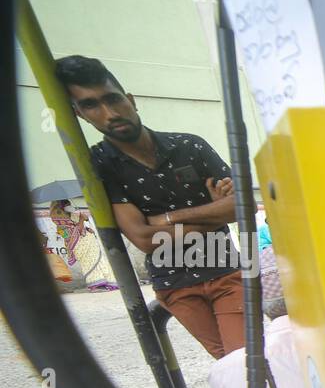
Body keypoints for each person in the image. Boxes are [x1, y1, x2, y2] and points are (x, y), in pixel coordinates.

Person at [56, 56, 244, 359]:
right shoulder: (100, 167)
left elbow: (242, 207)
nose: (110, 113)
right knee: (228, 366)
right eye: (91, 105)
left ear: (130, 100)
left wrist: (165, 219)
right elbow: (144, 240)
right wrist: (214, 211)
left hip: (227, 271)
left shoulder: (189, 146)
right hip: (176, 286)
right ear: (79, 114)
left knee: (244, 362)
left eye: (113, 99)